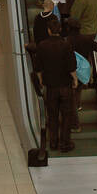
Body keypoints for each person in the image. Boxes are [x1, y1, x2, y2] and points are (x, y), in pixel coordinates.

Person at [34, 18, 77, 153]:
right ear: (59, 30)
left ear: (48, 30)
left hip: (51, 87)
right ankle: (65, 143)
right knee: (66, 115)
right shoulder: (66, 45)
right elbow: (71, 66)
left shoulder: (42, 45)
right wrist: (75, 79)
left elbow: (38, 67)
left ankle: (53, 142)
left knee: (52, 115)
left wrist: (41, 80)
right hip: (65, 86)